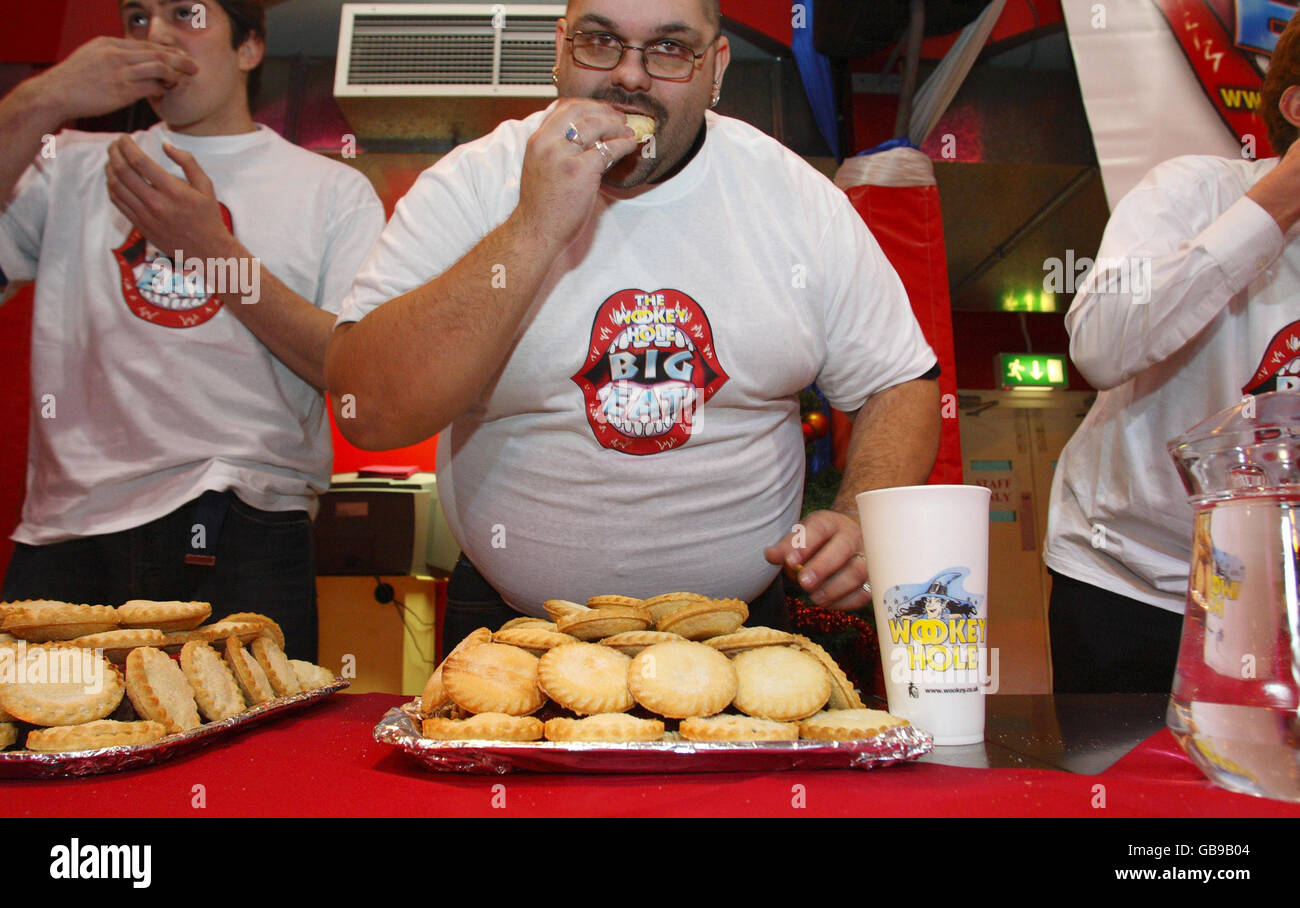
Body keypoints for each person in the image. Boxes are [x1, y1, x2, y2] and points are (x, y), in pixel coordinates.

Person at [326, 0, 940, 652]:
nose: (631, 77)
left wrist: (857, 514)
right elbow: (367, 411)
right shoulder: (470, 185)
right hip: (510, 629)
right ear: (560, 49)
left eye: (670, 49)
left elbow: (898, 382)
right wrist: (533, 226)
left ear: (716, 69)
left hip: (738, 633)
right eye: (600, 42)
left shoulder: (794, 198)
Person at [0, 0, 385, 659]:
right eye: (137, 17)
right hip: (67, 532)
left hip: (244, 522)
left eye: (186, 12)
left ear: (249, 47)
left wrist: (212, 252)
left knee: (252, 757)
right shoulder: (66, 164)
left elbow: (356, 372)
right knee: (43, 745)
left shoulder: (333, 191)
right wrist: (44, 95)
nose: (156, 35)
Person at [1043, 11, 1300, 693]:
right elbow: (1100, 347)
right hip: (1137, 585)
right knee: (1128, 798)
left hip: (1287, 604)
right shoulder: (1192, 190)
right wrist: (1280, 201)